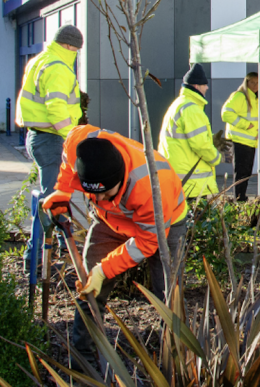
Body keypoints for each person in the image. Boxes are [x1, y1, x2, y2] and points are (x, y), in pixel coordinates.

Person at [40, 124, 187, 370]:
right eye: (91, 195)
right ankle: (83, 362)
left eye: (105, 194)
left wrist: (104, 269)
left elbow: (147, 242)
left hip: (164, 225)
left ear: (120, 179)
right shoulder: (81, 145)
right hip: (110, 221)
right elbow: (67, 161)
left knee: (168, 295)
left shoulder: (151, 185)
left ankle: (173, 366)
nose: (97, 200)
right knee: (89, 288)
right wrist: (63, 191)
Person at [15, 24, 84, 271]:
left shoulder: (40, 61)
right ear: (68, 46)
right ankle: (37, 260)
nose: (76, 54)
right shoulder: (58, 68)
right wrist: (74, 134)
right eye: (76, 50)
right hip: (52, 138)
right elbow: (56, 108)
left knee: (53, 197)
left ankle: (51, 254)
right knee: (53, 200)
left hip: (37, 137)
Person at [159, 63, 220, 199]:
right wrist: (216, 157)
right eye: (205, 85)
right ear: (196, 86)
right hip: (191, 181)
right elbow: (200, 144)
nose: (207, 87)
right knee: (197, 219)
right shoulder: (191, 109)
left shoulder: (180, 104)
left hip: (180, 177)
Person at [221, 72, 260, 201]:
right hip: (239, 140)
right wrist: (245, 125)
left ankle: (241, 196)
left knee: (246, 172)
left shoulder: (259, 98)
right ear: (246, 82)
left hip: (251, 141)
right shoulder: (239, 96)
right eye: (252, 82)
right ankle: (239, 198)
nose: (255, 85)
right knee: (241, 172)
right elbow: (226, 114)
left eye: (257, 82)